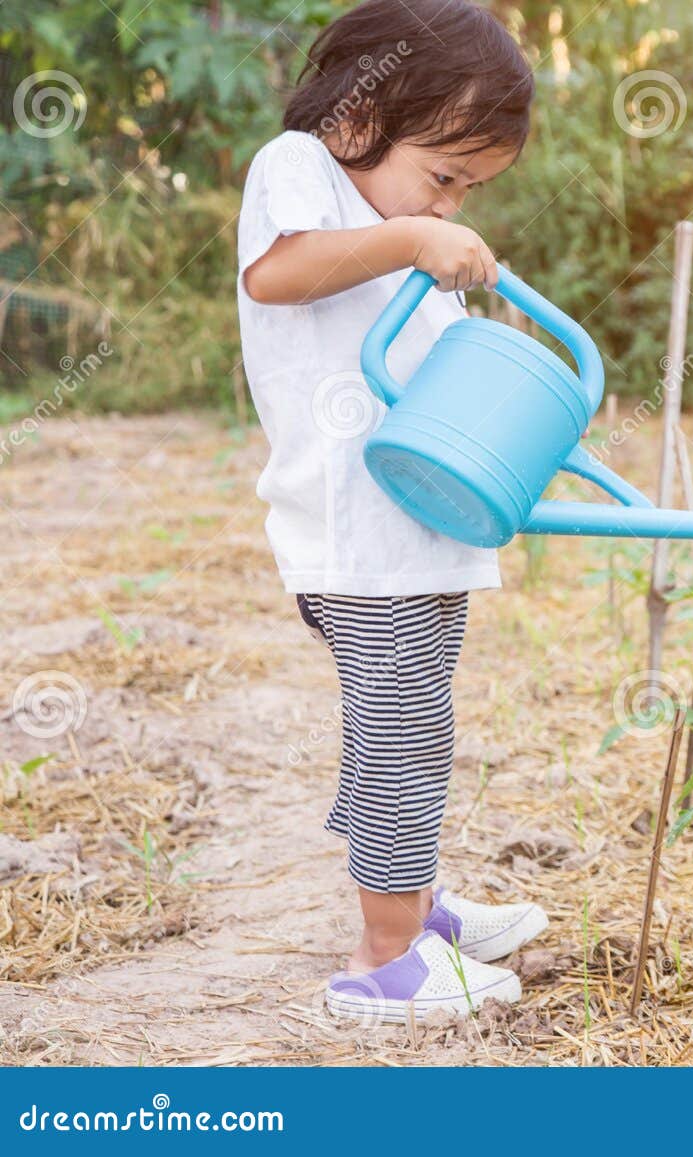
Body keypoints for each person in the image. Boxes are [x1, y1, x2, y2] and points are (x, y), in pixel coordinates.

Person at [236, 0, 544, 1024]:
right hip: (353, 531)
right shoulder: (299, 168)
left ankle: (417, 903)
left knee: (416, 723)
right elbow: (276, 275)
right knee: (398, 724)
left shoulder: (403, 232)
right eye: (446, 176)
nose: (451, 206)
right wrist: (412, 233)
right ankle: (385, 954)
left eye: (467, 191)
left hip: (420, 526)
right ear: (362, 115)